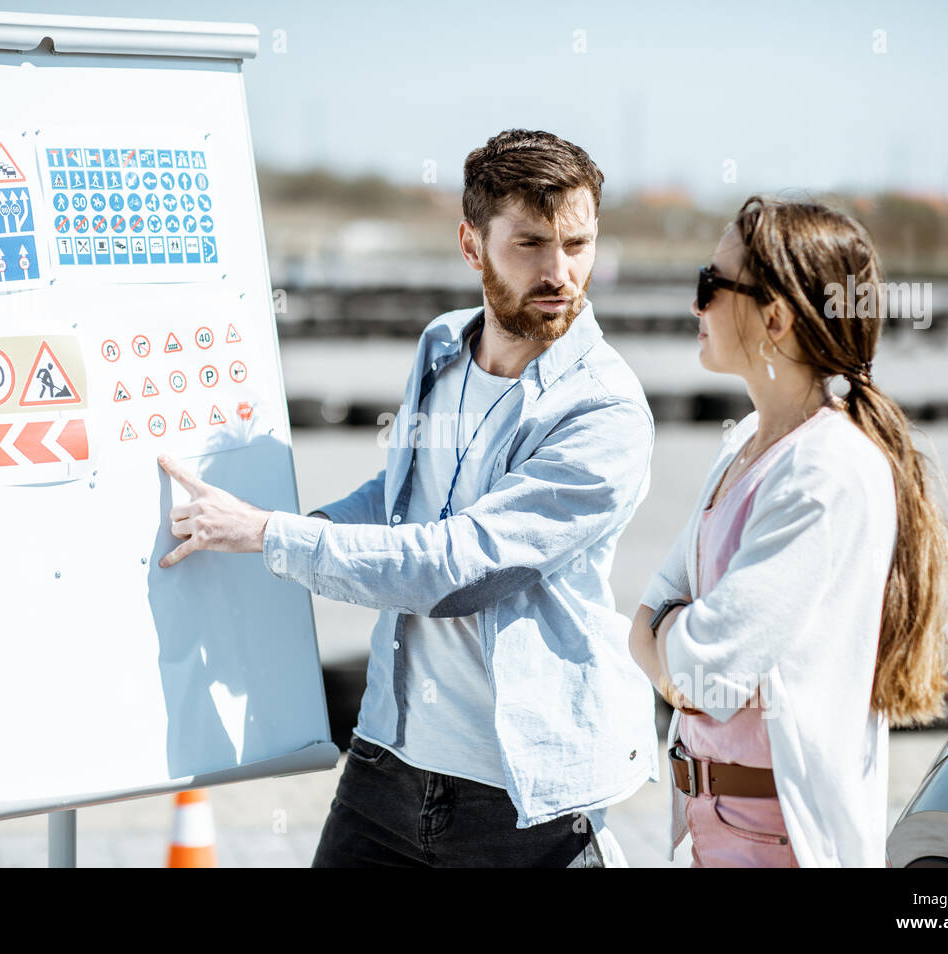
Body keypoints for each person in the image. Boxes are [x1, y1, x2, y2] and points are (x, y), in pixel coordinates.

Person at [155, 129, 658, 867]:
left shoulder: (604, 412)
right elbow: (401, 501)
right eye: (531, 244)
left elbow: (459, 569)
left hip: (523, 805)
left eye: (578, 244)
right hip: (387, 765)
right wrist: (285, 526)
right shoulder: (443, 347)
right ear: (470, 244)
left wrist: (272, 536)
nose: (560, 272)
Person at [631, 194, 948, 868]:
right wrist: (675, 639)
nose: (696, 305)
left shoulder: (827, 468)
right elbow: (656, 625)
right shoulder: (742, 449)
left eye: (711, 285)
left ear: (776, 317)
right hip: (712, 833)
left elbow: (707, 667)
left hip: (785, 845)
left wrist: (669, 640)